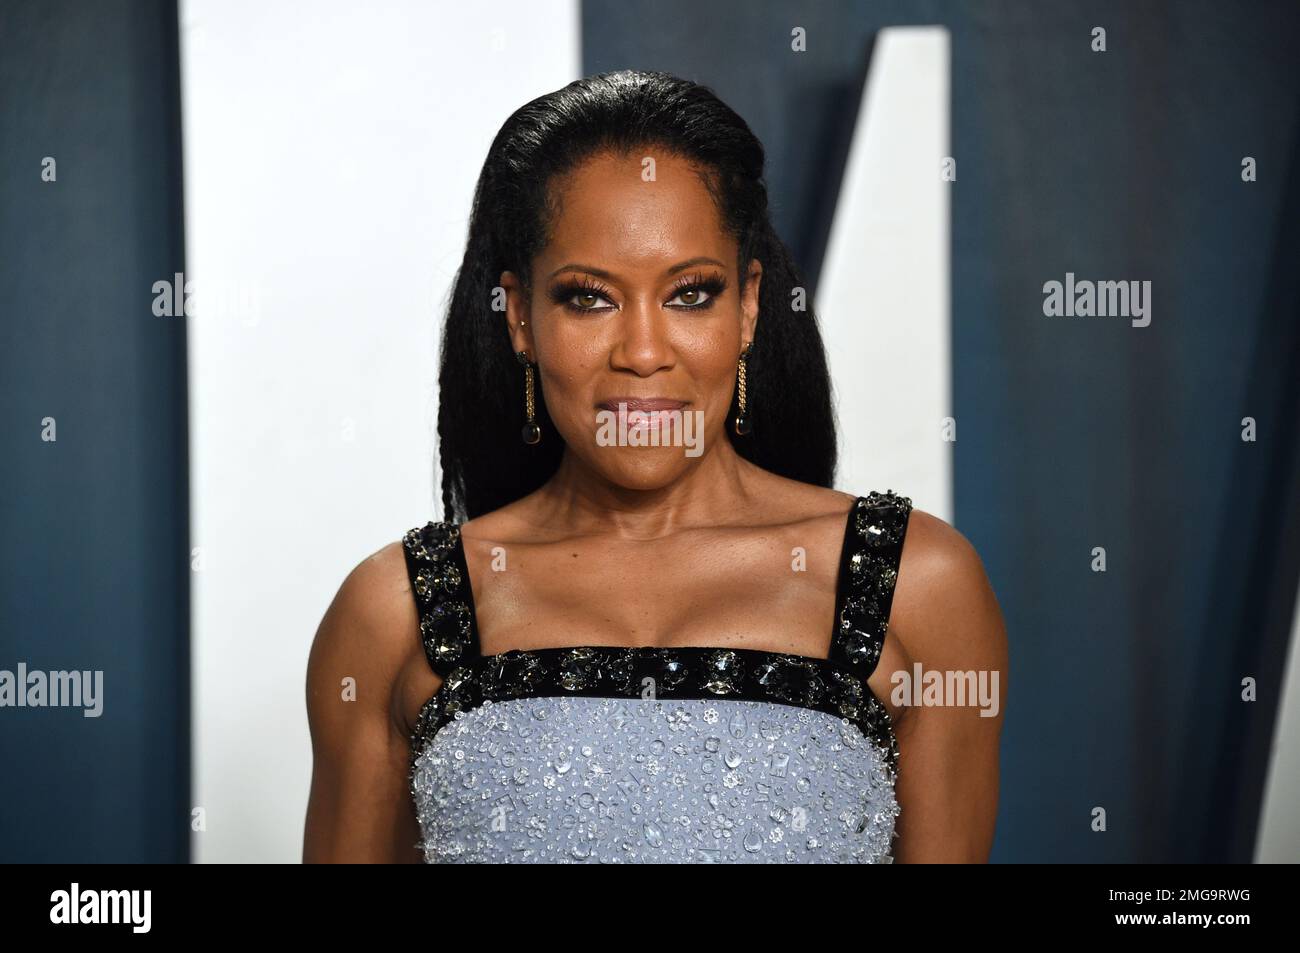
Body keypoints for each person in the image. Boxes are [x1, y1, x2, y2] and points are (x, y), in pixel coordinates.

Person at [303, 69, 1007, 863]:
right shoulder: (393, 613)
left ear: (748, 305)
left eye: (691, 294)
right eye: (588, 298)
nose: (642, 353)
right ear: (520, 318)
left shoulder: (914, 585)